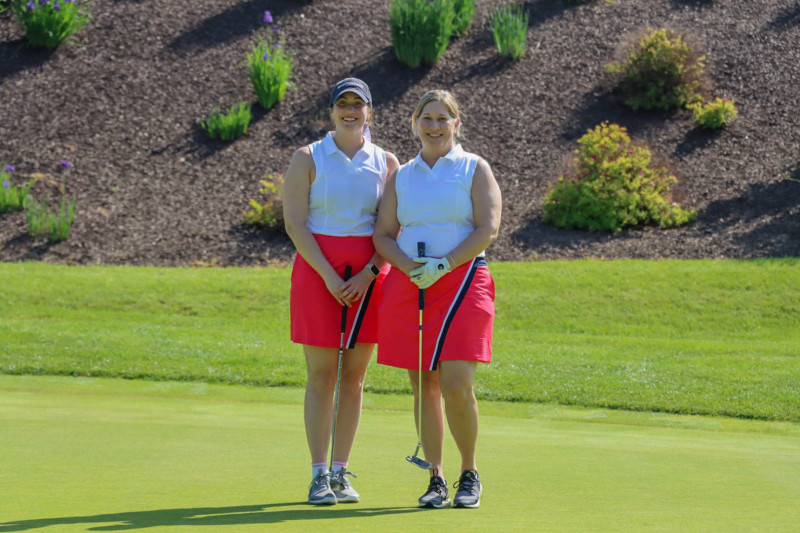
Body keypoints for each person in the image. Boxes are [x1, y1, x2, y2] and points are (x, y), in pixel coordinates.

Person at [373, 89, 502, 509]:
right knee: (424, 384)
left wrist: (444, 264)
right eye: (426, 118)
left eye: (443, 119)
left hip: (463, 281)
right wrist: (410, 267)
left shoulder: (473, 167)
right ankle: (436, 478)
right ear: (414, 123)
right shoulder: (402, 176)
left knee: (457, 383)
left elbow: (488, 229)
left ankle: (469, 473)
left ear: (456, 124)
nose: (434, 126)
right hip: (411, 284)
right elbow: (383, 235)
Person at [283, 78, 399, 505]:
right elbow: (296, 224)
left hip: (370, 275)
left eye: (358, 104)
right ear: (331, 111)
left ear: (370, 111)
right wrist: (330, 277)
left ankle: (340, 471)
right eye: (342, 104)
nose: (350, 110)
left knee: (354, 378)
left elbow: (391, 228)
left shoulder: (386, 162)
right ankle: (317, 474)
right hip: (318, 272)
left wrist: (370, 272)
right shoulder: (308, 157)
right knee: (321, 375)